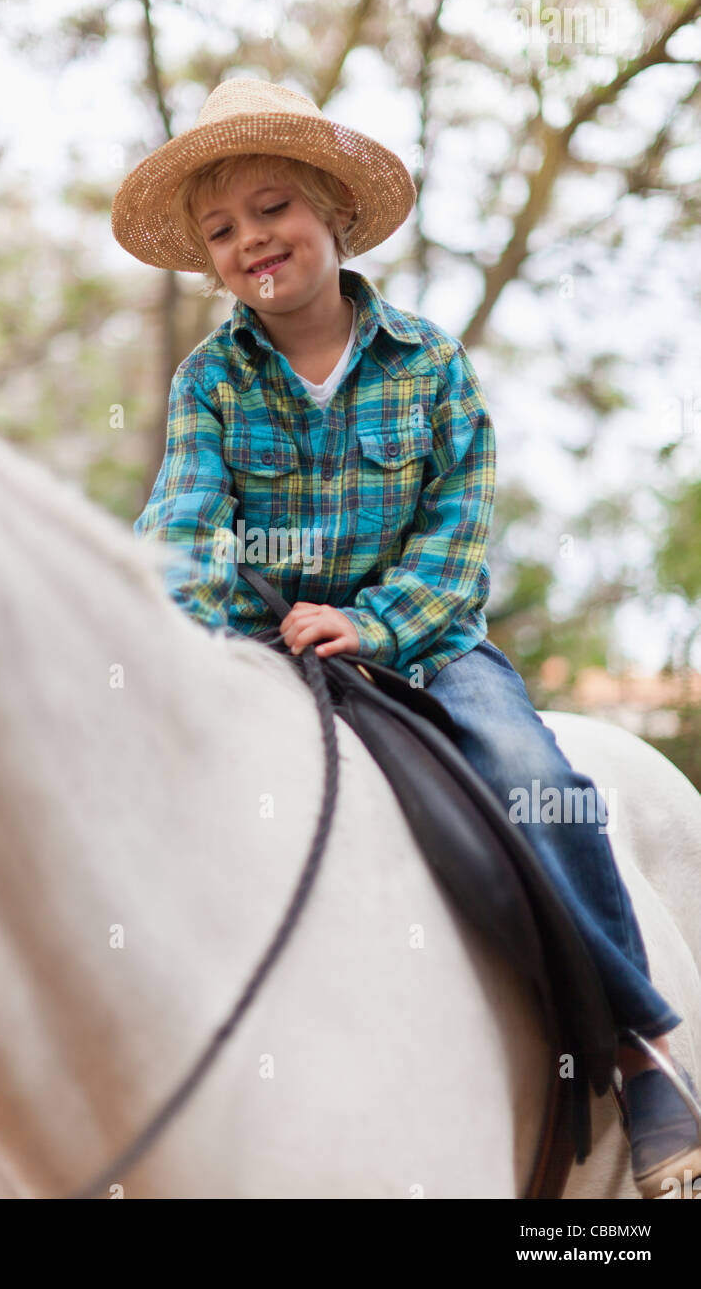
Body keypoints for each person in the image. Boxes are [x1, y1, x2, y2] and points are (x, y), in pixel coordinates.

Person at [113, 76, 701, 1197]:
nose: (250, 243)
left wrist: (371, 621)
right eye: (220, 231)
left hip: (425, 645)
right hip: (263, 651)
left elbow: (454, 538)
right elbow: (183, 530)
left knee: (535, 775)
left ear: (333, 210)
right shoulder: (211, 382)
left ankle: (633, 1040)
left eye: (271, 208)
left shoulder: (430, 366)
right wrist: (169, 642)